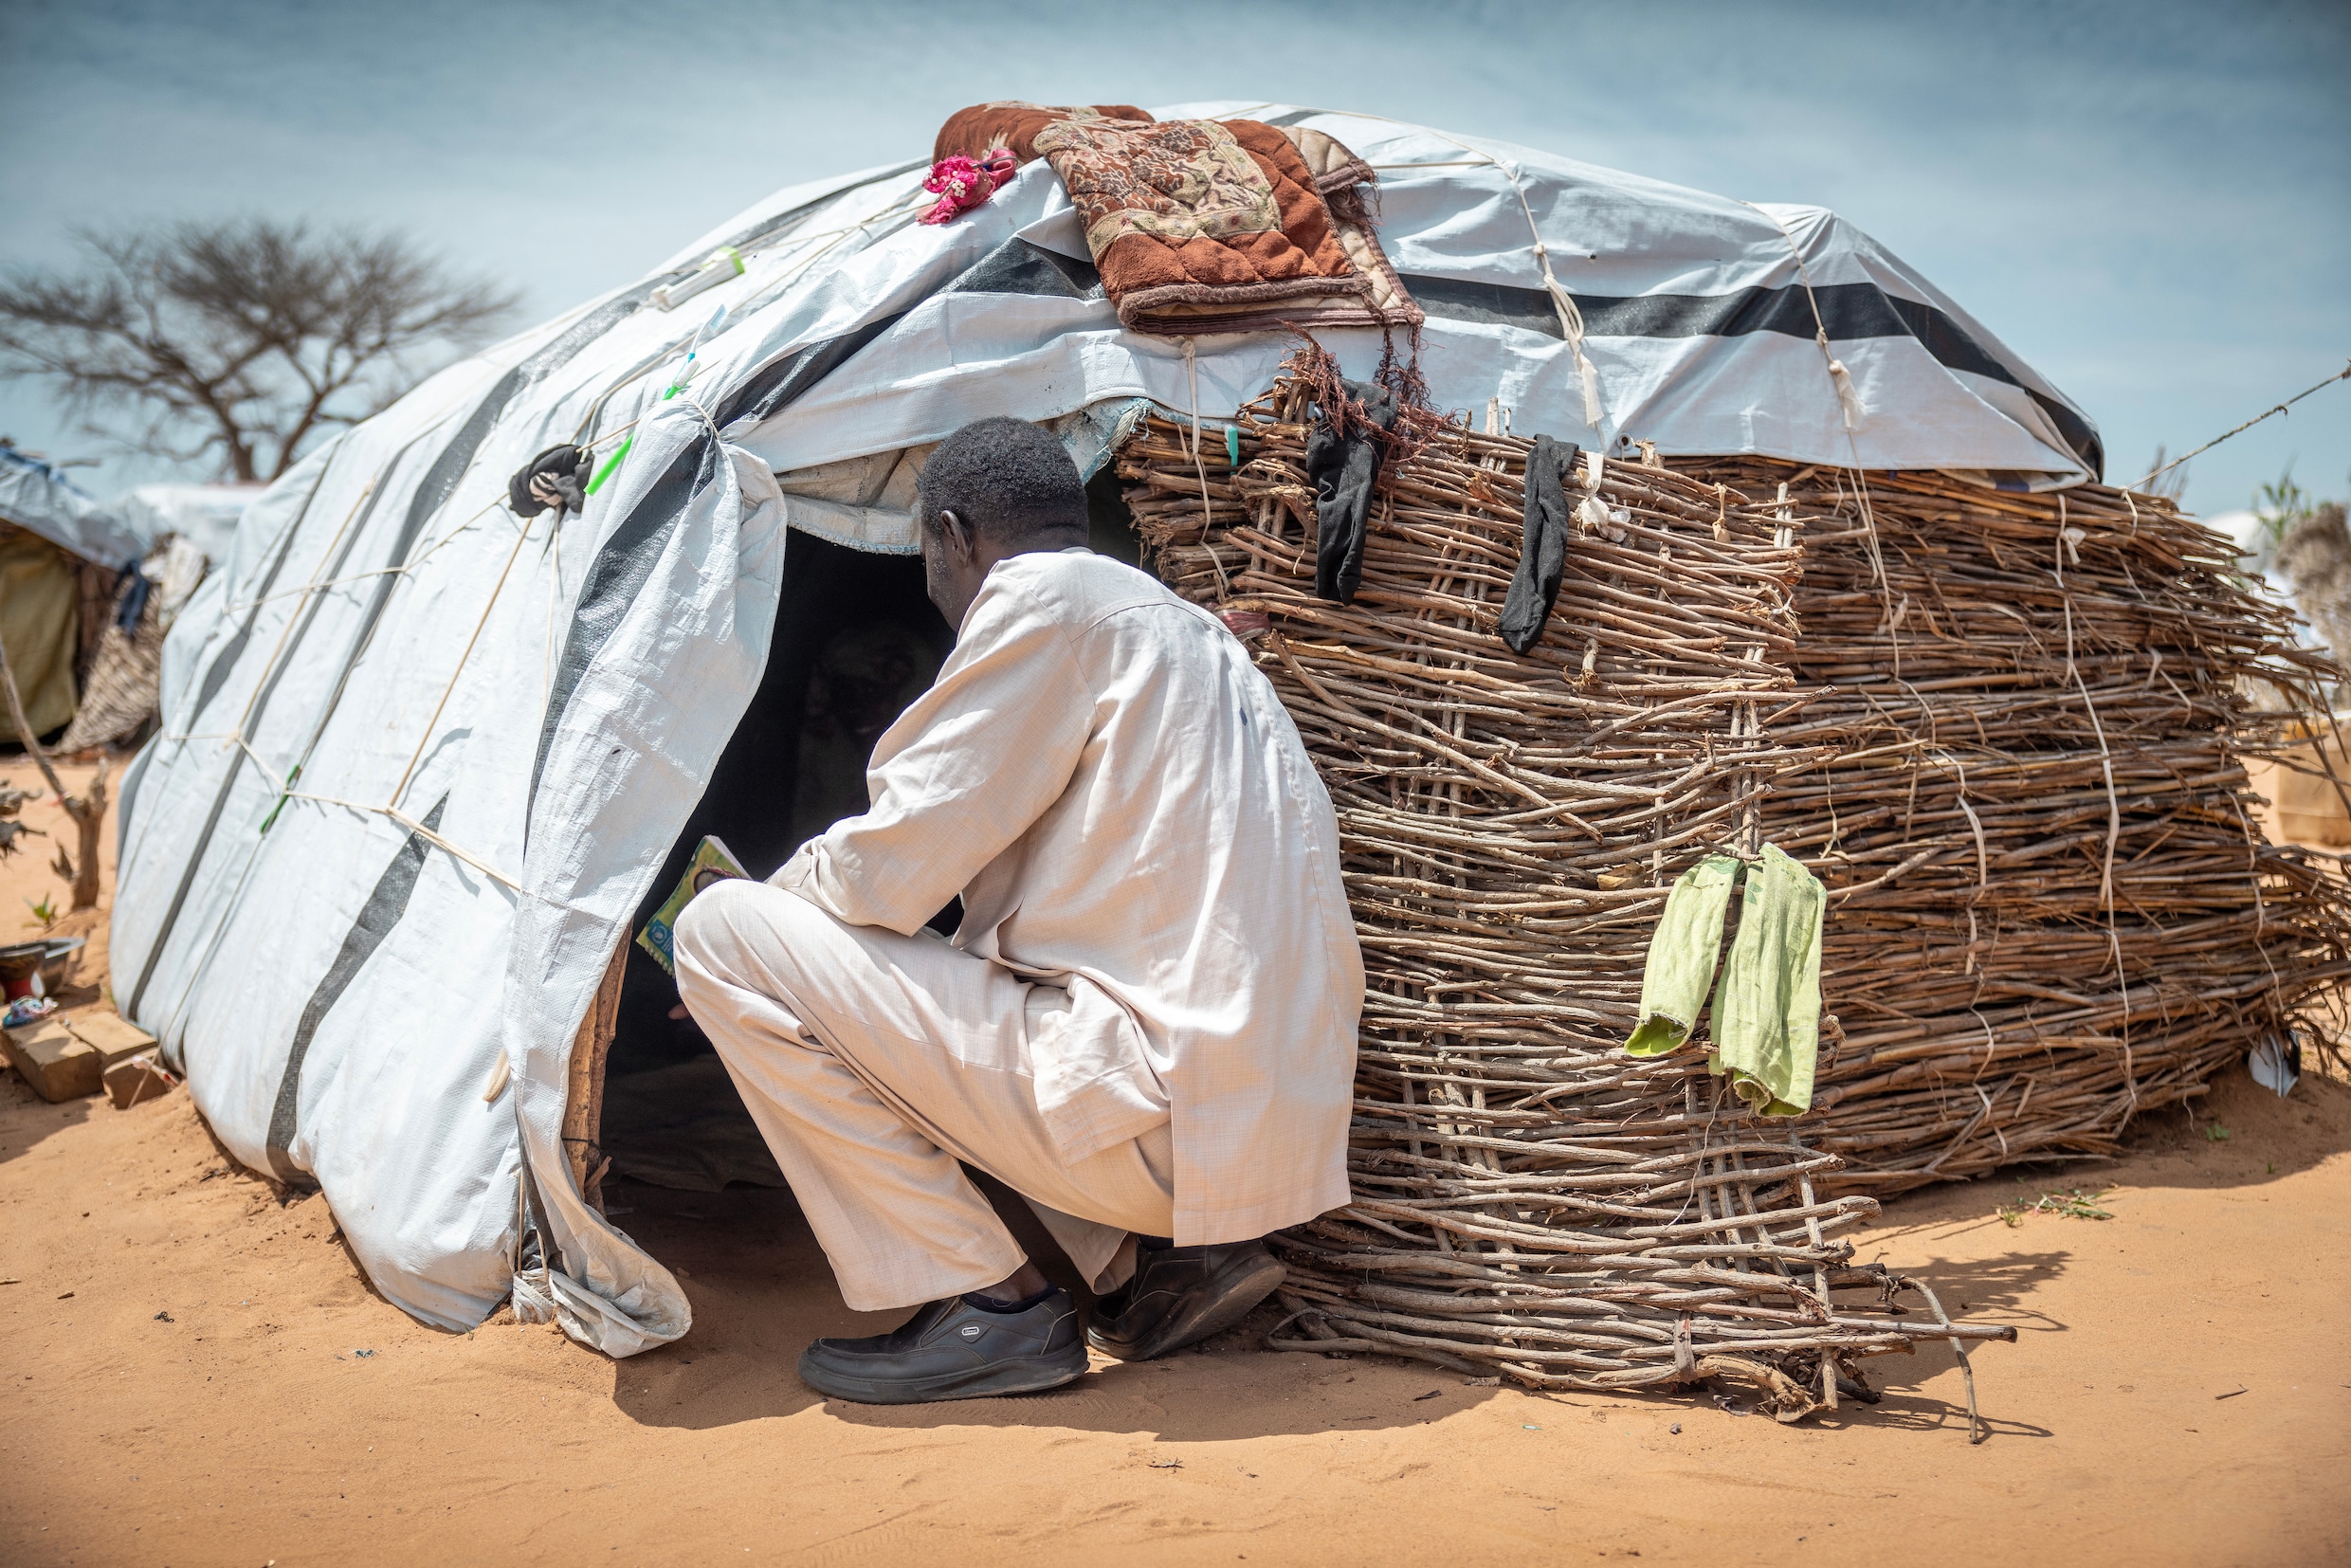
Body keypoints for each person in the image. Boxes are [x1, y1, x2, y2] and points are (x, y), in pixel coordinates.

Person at [673, 415, 1362, 1405]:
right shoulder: (1180, 629)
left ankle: (986, 1305)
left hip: (1162, 1119)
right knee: (1005, 958)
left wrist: (764, 921)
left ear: (951, 536)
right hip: (1260, 1128)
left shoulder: (1045, 608)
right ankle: (1155, 1265)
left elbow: (887, 868)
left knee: (720, 935)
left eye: (925, 558)